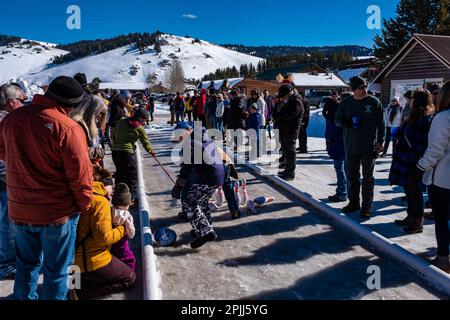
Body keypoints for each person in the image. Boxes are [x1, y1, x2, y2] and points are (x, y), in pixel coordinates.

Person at [0, 76, 93, 300]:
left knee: (26, 266)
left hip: (21, 210)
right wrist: (84, 205)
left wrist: (24, 164)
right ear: (71, 105)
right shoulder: (68, 127)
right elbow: (80, 176)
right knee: (56, 272)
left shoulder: (13, 119)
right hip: (56, 213)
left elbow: (2, 153)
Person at [75, 168, 136, 299]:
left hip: (71, 262)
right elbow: (103, 238)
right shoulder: (100, 201)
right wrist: (122, 228)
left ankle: (76, 285)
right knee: (130, 277)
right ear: (102, 184)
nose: (112, 191)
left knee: (76, 280)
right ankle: (83, 293)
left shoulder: (79, 194)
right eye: (111, 186)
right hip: (91, 262)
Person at [335, 76, 385, 219]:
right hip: (351, 146)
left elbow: (381, 123)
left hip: (369, 147)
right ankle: (354, 203)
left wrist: (381, 141)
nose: (364, 90)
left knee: (367, 178)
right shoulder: (346, 103)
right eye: (361, 88)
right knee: (352, 177)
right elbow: (337, 120)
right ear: (353, 90)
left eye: (365, 86)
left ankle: (366, 207)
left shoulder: (374, 102)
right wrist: (347, 122)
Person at [414, 81, 450, 273]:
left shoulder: (443, 118)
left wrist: (420, 168)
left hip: (443, 178)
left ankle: (444, 258)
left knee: (442, 219)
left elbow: (435, 150)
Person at [388, 90, 435, 234]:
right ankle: (411, 216)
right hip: (406, 158)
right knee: (408, 189)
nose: (411, 100)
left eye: (413, 98)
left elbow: (424, 142)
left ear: (418, 101)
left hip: (414, 160)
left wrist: (412, 149)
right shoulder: (415, 116)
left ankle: (417, 222)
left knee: (414, 191)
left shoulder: (424, 118)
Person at [171, 128, 224, 249]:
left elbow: (187, 167)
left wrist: (178, 186)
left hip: (208, 176)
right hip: (218, 175)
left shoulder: (191, 143)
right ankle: (205, 227)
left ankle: (205, 232)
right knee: (202, 201)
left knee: (189, 203)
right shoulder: (205, 139)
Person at [0, 84, 27, 279]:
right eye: (21, 100)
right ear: (11, 102)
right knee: (7, 221)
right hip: (3, 176)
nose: (23, 104)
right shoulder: (6, 121)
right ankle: (8, 265)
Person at [112, 108, 155, 202]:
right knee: (131, 176)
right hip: (127, 153)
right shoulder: (139, 128)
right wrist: (151, 151)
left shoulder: (121, 120)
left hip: (115, 151)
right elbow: (145, 142)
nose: (144, 122)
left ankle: (118, 196)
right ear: (139, 118)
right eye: (144, 120)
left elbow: (115, 132)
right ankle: (130, 198)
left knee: (120, 173)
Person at [272, 84, 304, 181]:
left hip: (291, 131)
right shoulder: (289, 101)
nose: (282, 98)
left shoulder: (296, 101)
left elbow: (289, 115)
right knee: (286, 151)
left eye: (283, 96)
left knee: (290, 152)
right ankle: (287, 169)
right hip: (284, 129)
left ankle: (290, 173)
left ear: (288, 93)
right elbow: (280, 113)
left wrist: (278, 116)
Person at [69, 95, 108, 165]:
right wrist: (99, 151)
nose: (99, 116)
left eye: (102, 114)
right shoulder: (79, 124)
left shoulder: (87, 123)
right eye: (100, 112)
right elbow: (78, 151)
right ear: (92, 110)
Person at [323, 91, 348, 202]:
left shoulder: (335, 117)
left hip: (338, 144)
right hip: (347, 144)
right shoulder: (346, 112)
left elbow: (330, 134)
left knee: (340, 167)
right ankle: (346, 192)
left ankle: (342, 192)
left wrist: (328, 141)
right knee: (346, 168)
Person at [110, 183, 136, 271]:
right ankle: (128, 275)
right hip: (122, 245)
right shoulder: (127, 216)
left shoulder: (109, 211)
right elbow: (131, 234)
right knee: (129, 260)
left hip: (110, 244)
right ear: (127, 204)